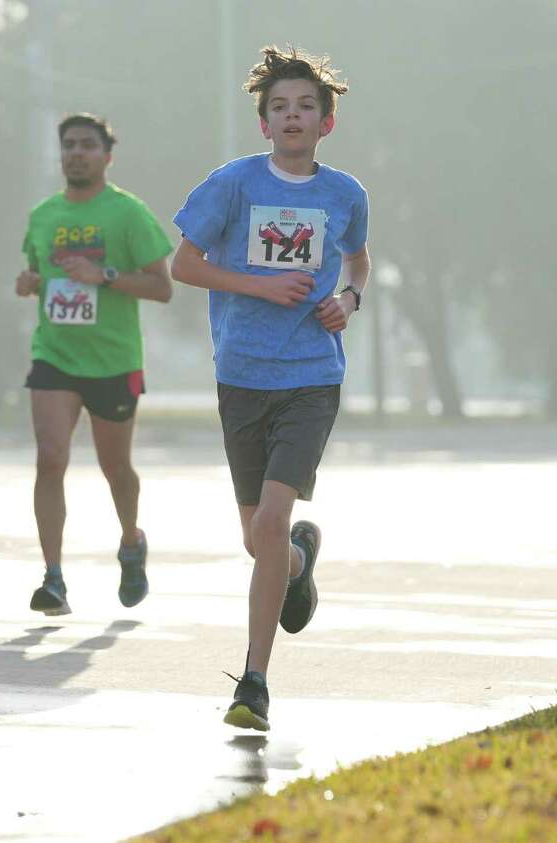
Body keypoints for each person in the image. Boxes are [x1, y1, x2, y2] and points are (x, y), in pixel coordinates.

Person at [170, 46, 370, 730]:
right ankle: (297, 560)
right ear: (264, 124)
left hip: (313, 376)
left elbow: (360, 259)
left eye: (305, 107)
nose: (292, 117)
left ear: (326, 122)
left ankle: (253, 680)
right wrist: (257, 284)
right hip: (241, 376)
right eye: (279, 107)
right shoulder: (232, 184)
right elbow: (184, 265)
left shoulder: (345, 194)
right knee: (260, 540)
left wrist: (350, 297)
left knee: (270, 519)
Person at [15, 112, 174, 615]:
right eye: (68, 145)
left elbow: (162, 286)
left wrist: (101, 274)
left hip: (113, 359)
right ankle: (54, 579)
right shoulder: (43, 215)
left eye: (87, 145)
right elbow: (37, 271)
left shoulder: (128, 214)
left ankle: (131, 541)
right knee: (50, 456)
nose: (76, 153)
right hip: (55, 353)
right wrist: (30, 283)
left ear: (107, 155)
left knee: (115, 468)